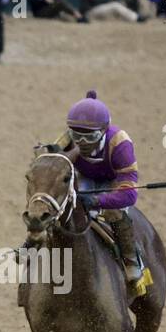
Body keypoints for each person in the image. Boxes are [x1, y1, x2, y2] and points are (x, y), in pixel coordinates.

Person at [59, 90, 141, 284]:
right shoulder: (67, 138)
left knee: (113, 213)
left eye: (90, 137)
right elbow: (52, 158)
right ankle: (32, 242)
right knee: (57, 203)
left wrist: (97, 200)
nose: (82, 142)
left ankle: (130, 260)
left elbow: (129, 195)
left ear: (104, 130)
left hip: (112, 182)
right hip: (84, 177)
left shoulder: (120, 144)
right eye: (77, 137)